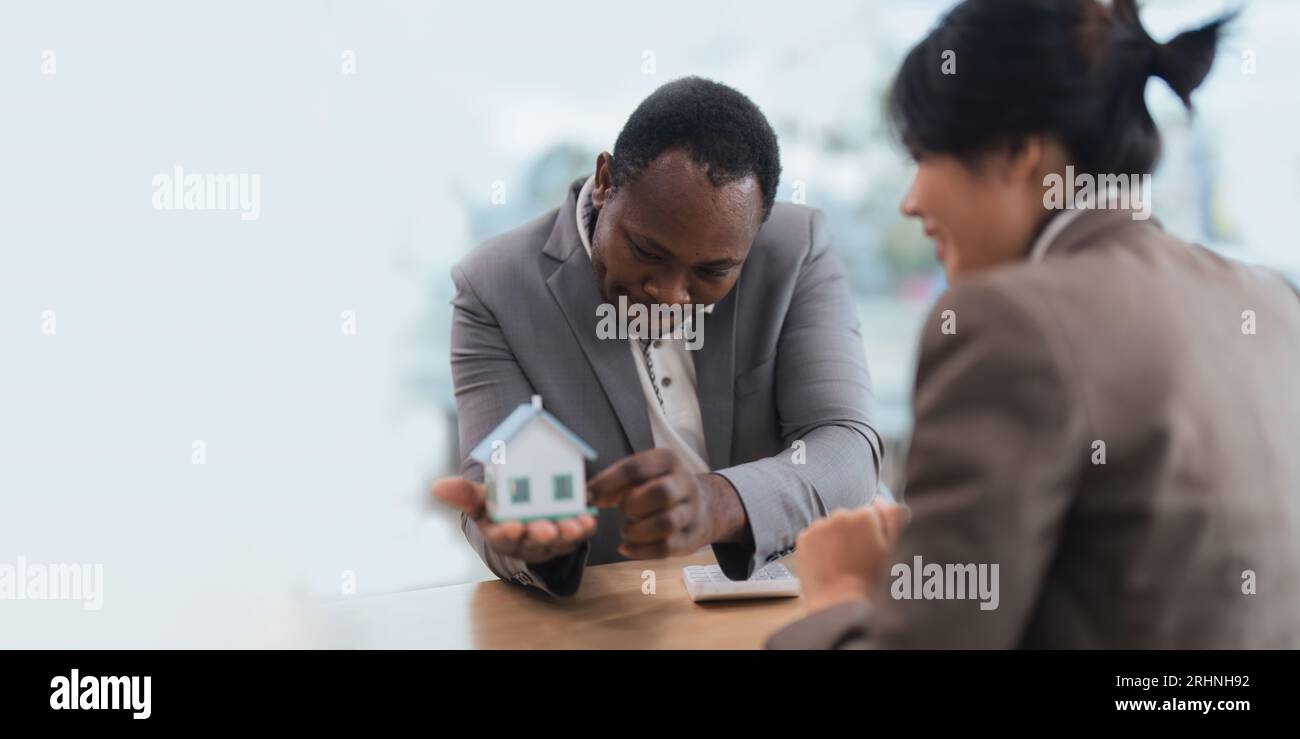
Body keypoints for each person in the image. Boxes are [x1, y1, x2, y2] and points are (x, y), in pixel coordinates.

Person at [771, 0, 1300, 648]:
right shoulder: (1270, 303)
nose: (911, 200)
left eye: (923, 155)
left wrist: (838, 592)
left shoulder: (1011, 322)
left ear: (1021, 150)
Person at [434, 77, 884, 596]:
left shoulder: (797, 249)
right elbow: (491, 487)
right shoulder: (494, 286)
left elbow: (847, 446)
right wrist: (534, 539)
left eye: (712, 272)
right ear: (605, 182)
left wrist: (718, 503)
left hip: (805, 590)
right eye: (647, 252)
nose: (669, 296)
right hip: (626, 616)